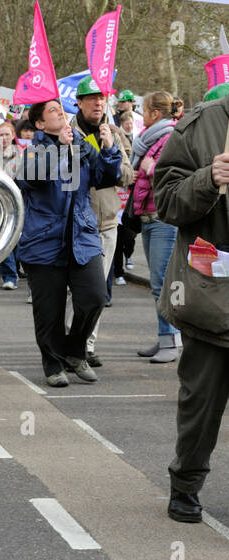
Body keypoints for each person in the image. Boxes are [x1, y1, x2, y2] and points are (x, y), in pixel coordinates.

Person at [151, 91, 229, 523]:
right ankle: (185, 485)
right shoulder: (202, 124)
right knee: (200, 404)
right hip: (211, 293)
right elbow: (165, 201)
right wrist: (208, 177)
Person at [15, 97, 121, 387]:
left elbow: (107, 177)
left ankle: (75, 352)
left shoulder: (82, 144)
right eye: (53, 111)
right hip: (44, 240)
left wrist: (110, 148)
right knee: (49, 313)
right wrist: (60, 147)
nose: (61, 113)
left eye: (61, 109)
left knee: (95, 297)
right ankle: (53, 364)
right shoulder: (33, 151)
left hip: (82, 236)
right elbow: (32, 180)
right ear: (40, 123)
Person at [73, 77, 134, 367]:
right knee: (73, 291)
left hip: (107, 224)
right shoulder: (67, 133)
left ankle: (87, 344)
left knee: (97, 291)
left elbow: (127, 176)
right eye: (92, 98)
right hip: (74, 225)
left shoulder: (114, 133)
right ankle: (69, 342)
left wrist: (109, 148)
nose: (98, 103)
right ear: (80, 102)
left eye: (102, 98)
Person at [129, 91, 181, 363]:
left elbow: (173, 171)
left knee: (162, 283)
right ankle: (164, 337)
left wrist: (150, 169)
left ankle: (171, 340)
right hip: (149, 217)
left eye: (144, 109)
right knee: (157, 283)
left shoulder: (170, 137)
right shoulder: (152, 139)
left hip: (162, 219)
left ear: (155, 114)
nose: (141, 113)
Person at [0, 120, 22, 289]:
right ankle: (9, 276)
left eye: (7, 134)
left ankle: (15, 269)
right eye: (0, 134)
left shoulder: (21, 154)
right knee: (3, 240)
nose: (3, 138)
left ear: (13, 136)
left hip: (18, 203)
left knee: (17, 240)